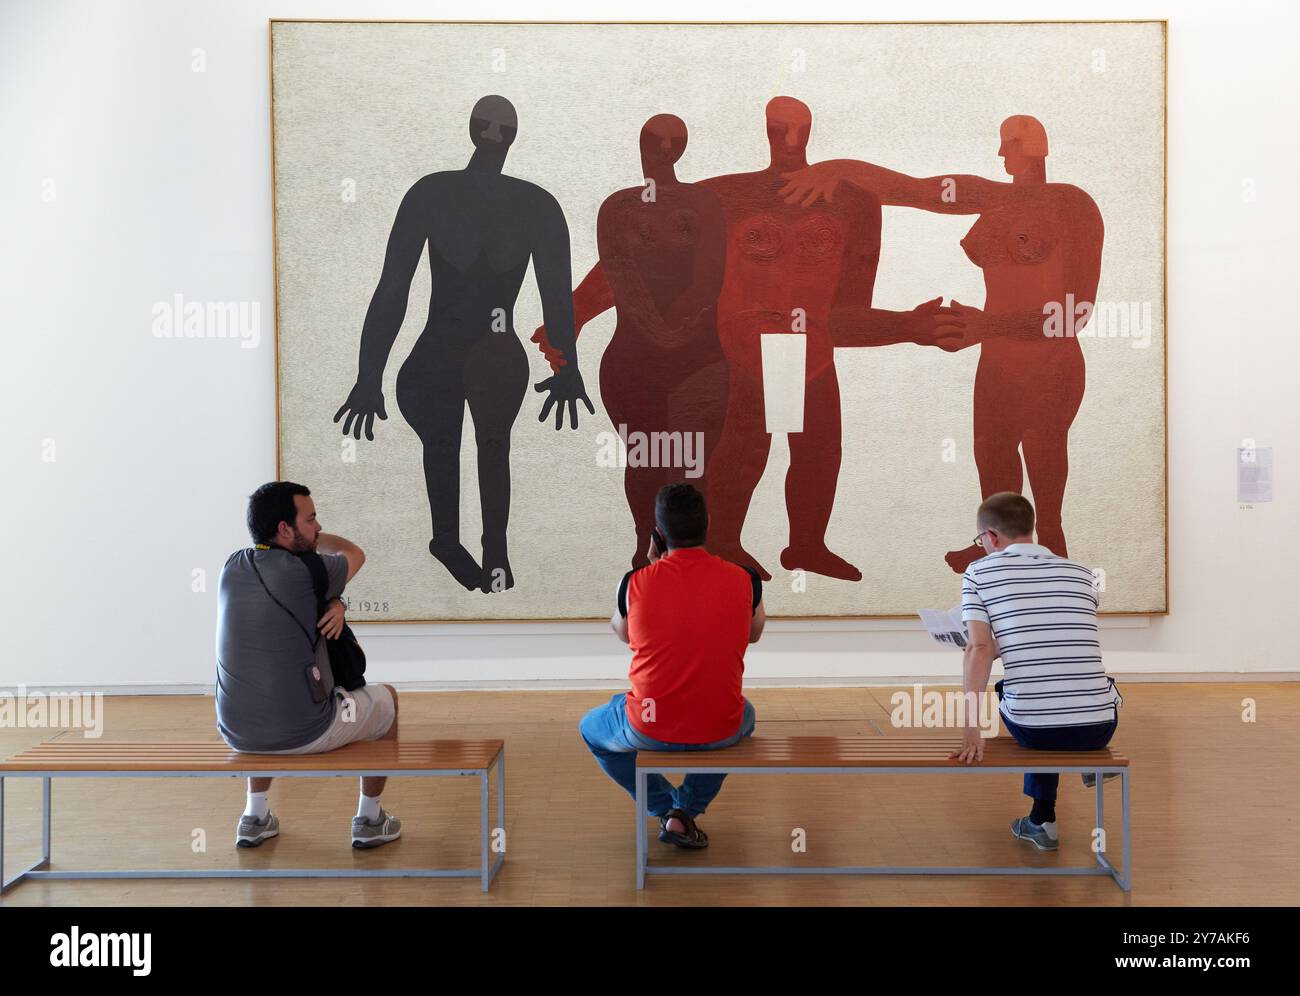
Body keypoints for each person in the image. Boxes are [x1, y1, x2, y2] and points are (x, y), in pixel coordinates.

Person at [779, 115, 1104, 574]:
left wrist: (987, 325)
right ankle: (997, 547)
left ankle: (1053, 551)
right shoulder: (993, 198)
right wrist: (842, 168)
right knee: (992, 452)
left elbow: (1075, 313)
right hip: (997, 364)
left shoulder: (1071, 205)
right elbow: (913, 190)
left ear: (1034, 147)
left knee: (1043, 453)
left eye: (1009, 144)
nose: (1001, 154)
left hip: (1049, 364)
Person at [333, 94, 594, 595]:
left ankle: (491, 547)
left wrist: (568, 368)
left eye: (501, 127)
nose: (493, 136)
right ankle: (451, 540)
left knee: (488, 443)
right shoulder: (449, 195)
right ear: (477, 130)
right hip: (447, 352)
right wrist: (368, 378)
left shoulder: (511, 202)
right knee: (458, 443)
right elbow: (393, 289)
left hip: (483, 352)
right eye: (489, 126)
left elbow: (556, 300)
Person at [215, 481, 401, 849]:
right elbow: (354, 553)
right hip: (307, 730)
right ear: (285, 528)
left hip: (235, 729)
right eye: (311, 519)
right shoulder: (307, 569)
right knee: (388, 700)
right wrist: (319, 553)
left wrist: (335, 602)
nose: (318, 526)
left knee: (263, 688)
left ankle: (254, 817)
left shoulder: (231, 567)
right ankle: (370, 820)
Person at [578, 483, 764, 848]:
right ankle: (685, 811)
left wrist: (654, 569)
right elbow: (754, 633)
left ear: (658, 535)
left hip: (648, 724)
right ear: (707, 525)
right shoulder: (746, 579)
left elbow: (624, 633)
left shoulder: (633, 583)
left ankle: (665, 808)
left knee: (591, 728)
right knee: (745, 716)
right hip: (720, 726)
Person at [950, 492, 1122, 851]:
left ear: (991, 536)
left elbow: (979, 649)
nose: (982, 547)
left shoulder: (979, 572)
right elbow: (1055, 638)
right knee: (1054, 689)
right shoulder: (1082, 574)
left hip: (1036, 728)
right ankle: (1046, 812)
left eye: (980, 540)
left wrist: (971, 728)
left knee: (1025, 698)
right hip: (1100, 725)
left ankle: (1043, 819)